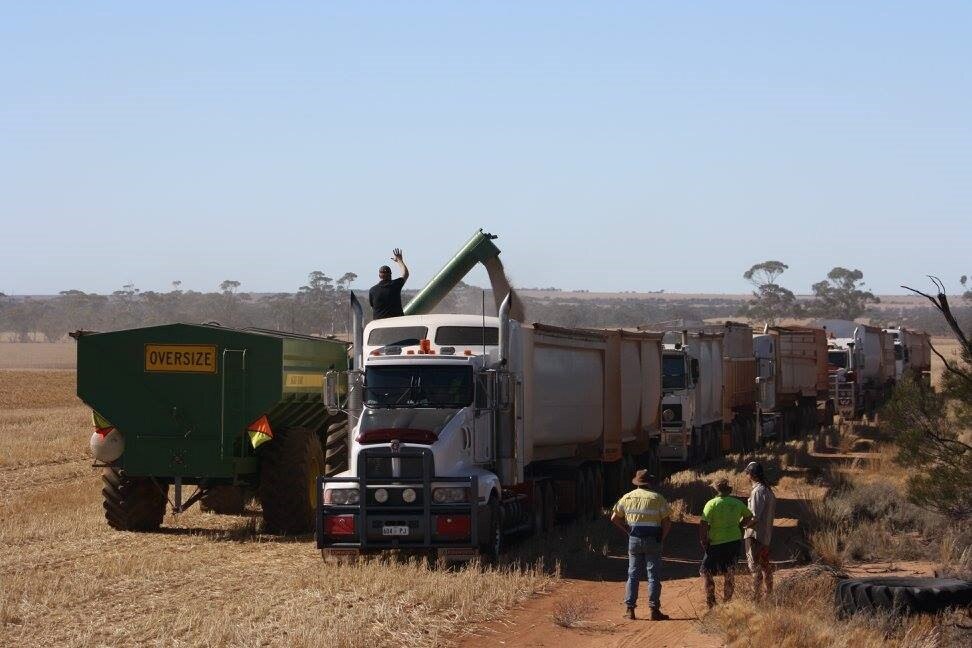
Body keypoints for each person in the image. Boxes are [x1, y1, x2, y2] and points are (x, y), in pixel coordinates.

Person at [610, 469, 672, 621]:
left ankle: (630, 610)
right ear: (649, 482)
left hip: (634, 539)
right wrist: (661, 538)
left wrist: (627, 531)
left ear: (637, 482)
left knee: (633, 575)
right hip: (653, 539)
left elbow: (614, 518)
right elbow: (667, 522)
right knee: (653, 576)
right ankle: (654, 610)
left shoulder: (627, 497)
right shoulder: (657, 498)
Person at [699, 478, 753, 609]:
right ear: (729, 490)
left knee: (705, 571)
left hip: (716, 542)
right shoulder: (737, 503)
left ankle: (711, 602)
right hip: (733, 541)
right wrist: (739, 526)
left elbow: (703, 523)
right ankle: (727, 602)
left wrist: (704, 539)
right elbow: (749, 516)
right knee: (729, 572)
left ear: (716, 490)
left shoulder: (711, 504)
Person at [744, 461, 776, 601]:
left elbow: (755, 516)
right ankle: (769, 594)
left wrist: (743, 526)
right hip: (765, 536)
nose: (746, 476)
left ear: (751, 475)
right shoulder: (768, 490)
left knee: (755, 567)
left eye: (747, 473)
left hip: (755, 535)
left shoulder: (758, 491)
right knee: (765, 566)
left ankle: (755, 598)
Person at [368, 248, 409, 319]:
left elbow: (373, 306)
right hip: (397, 323)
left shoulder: (372, 290)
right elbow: (405, 274)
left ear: (379, 276)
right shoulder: (395, 285)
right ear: (390, 275)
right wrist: (399, 260)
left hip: (379, 325)